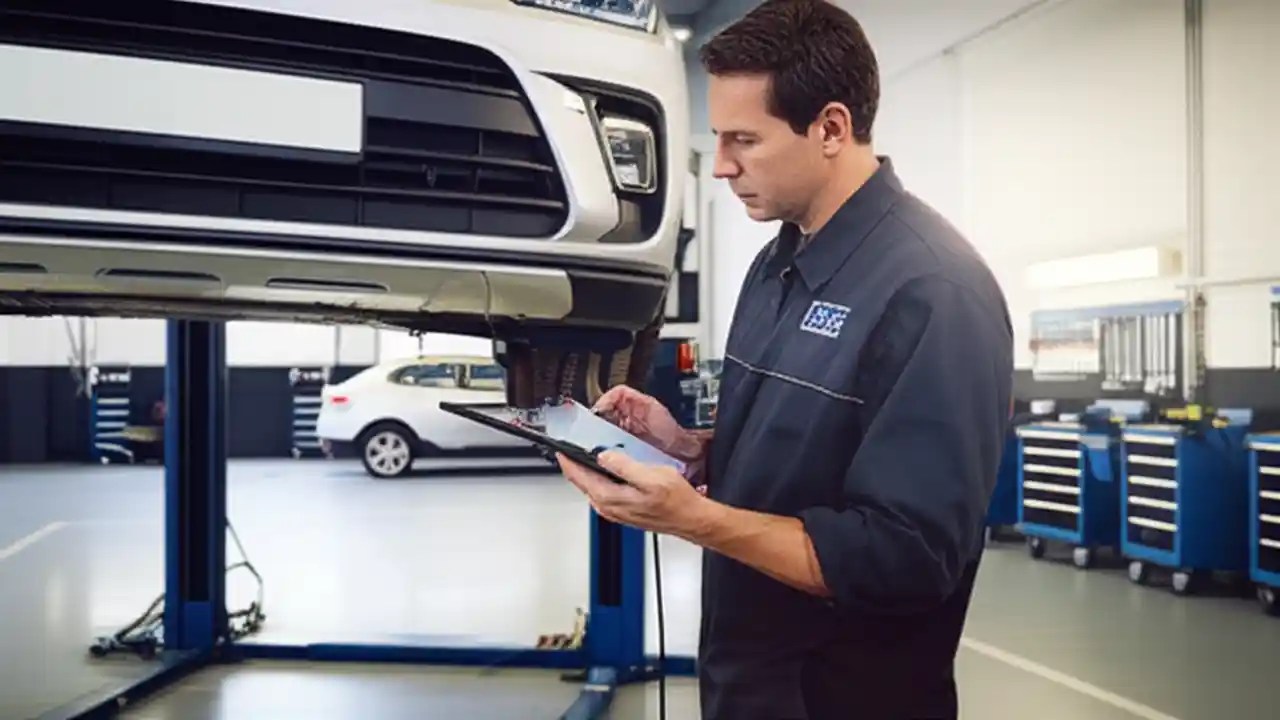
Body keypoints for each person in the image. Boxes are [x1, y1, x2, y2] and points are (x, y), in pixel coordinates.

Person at [556, 1, 1014, 718]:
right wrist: (692, 450)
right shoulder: (776, 265)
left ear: (830, 128)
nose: (722, 166)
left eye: (744, 140)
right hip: (748, 684)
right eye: (719, 138)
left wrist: (695, 520)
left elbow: (907, 558)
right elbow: (806, 458)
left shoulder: (934, 291)